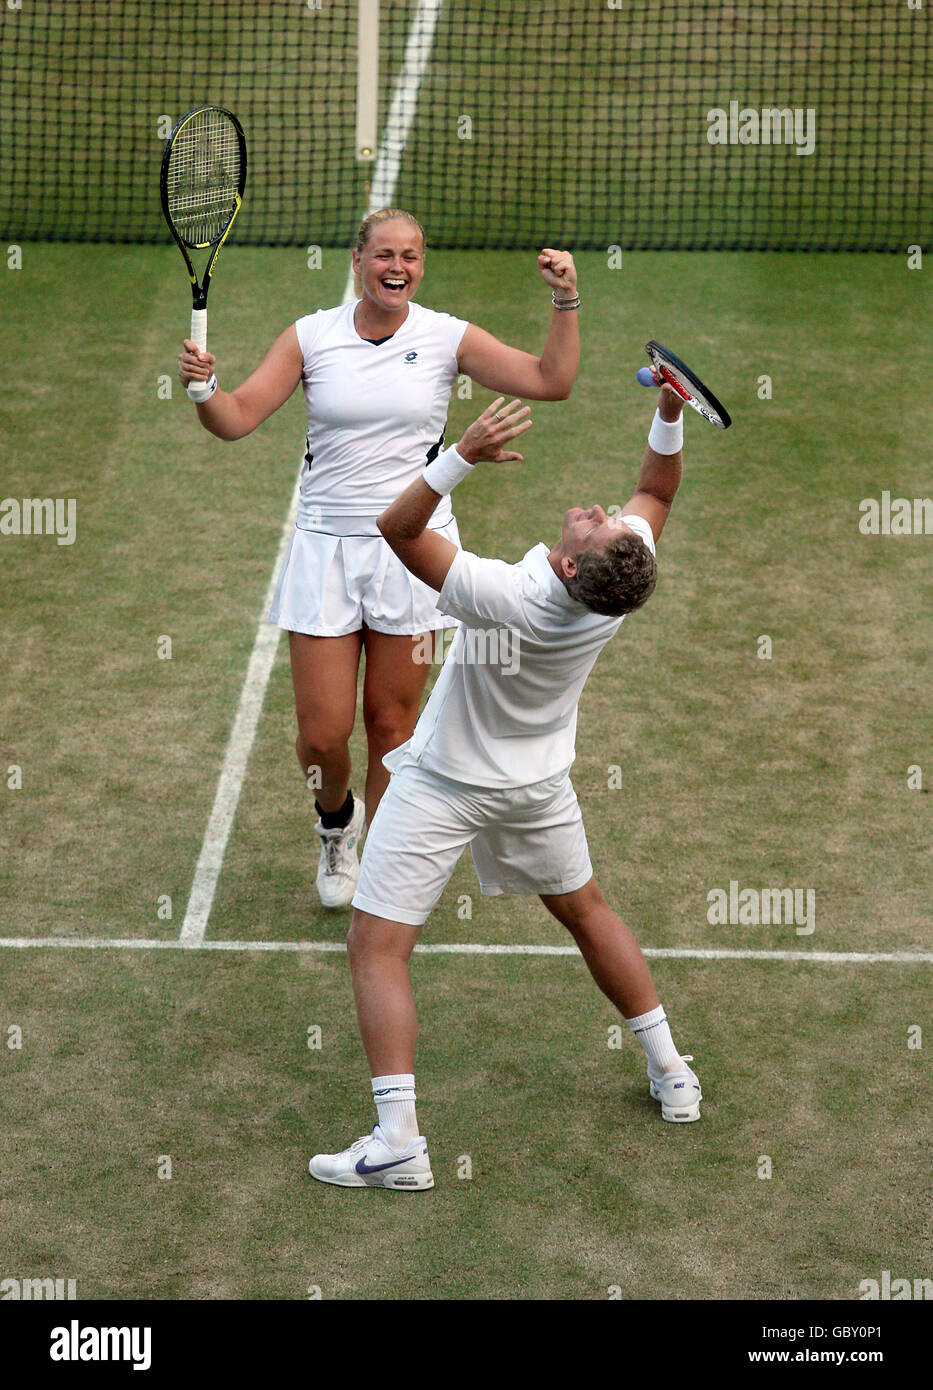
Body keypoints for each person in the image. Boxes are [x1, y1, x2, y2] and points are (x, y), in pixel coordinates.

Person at [308, 383, 702, 1191]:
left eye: (596, 526)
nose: (600, 511)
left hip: (445, 785)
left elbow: (397, 528)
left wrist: (458, 456)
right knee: (586, 912)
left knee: (376, 948)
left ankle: (398, 1144)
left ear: (566, 565)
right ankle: (672, 1072)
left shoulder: (507, 596)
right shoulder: (616, 585)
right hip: (537, 787)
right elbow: (656, 489)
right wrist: (667, 412)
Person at [177, 209, 580, 907]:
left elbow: (551, 378)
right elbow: (236, 419)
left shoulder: (444, 335)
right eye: (385, 254)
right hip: (325, 552)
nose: (399, 267)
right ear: (358, 260)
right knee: (321, 733)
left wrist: (565, 297)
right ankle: (336, 825)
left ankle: (385, 863)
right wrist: (205, 389)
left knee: (392, 727)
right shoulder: (310, 337)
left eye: (412, 257)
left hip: (415, 551)